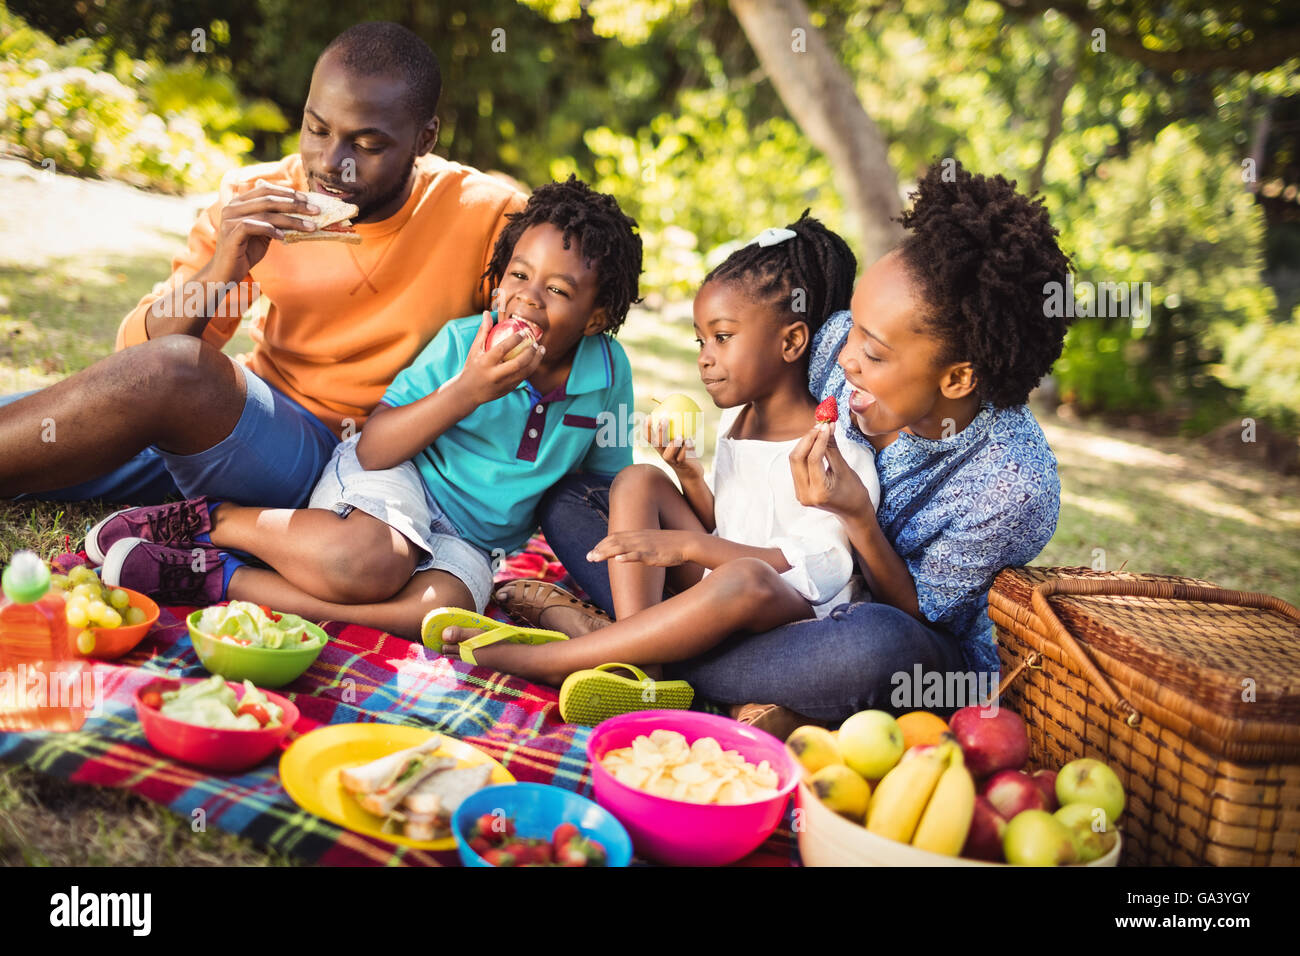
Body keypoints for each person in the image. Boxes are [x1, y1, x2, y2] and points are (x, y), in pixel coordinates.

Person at [498, 160, 1070, 736]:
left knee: (879, 649)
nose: (844, 360)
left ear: (958, 380)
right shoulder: (830, 349)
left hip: (850, 629)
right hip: (748, 588)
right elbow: (762, 352)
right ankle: (658, 652)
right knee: (576, 497)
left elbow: (919, 614)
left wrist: (856, 517)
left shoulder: (1011, 484)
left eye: (872, 354)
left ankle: (615, 647)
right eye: (850, 331)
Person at [88, 178, 643, 640]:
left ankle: (214, 578)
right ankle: (216, 521)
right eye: (519, 275)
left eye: (559, 291)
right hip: (394, 480)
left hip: (471, 542)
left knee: (442, 618)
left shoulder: (609, 376)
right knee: (372, 563)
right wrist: (468, 391)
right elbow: (376, 447)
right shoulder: (461, 345)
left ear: (596, 318)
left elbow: (599, 488)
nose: (528, 297)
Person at [0, 21, 524, 508]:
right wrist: (221, 270)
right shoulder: (256, 198)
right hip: (249, 425)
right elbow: (133, 362)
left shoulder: (487, 215)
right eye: (317, 129)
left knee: (169, 376)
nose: (328, 162)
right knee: (55, 419)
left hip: (359, 466)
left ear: (425, 139)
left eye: (366, 144)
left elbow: (536, 355)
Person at [439, 214, 880, 693]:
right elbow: (729, 524)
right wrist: (689, 479)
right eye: (700, 340)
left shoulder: (830, 448)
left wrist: (690, 547)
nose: (704, 357)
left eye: (723, 337)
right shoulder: (740, 423)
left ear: (791, 341)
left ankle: (553, 658)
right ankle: (640, 659)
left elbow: (821, 568)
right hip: (714, 588)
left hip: (786, 609)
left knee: (743, 577)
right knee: (637, 480)